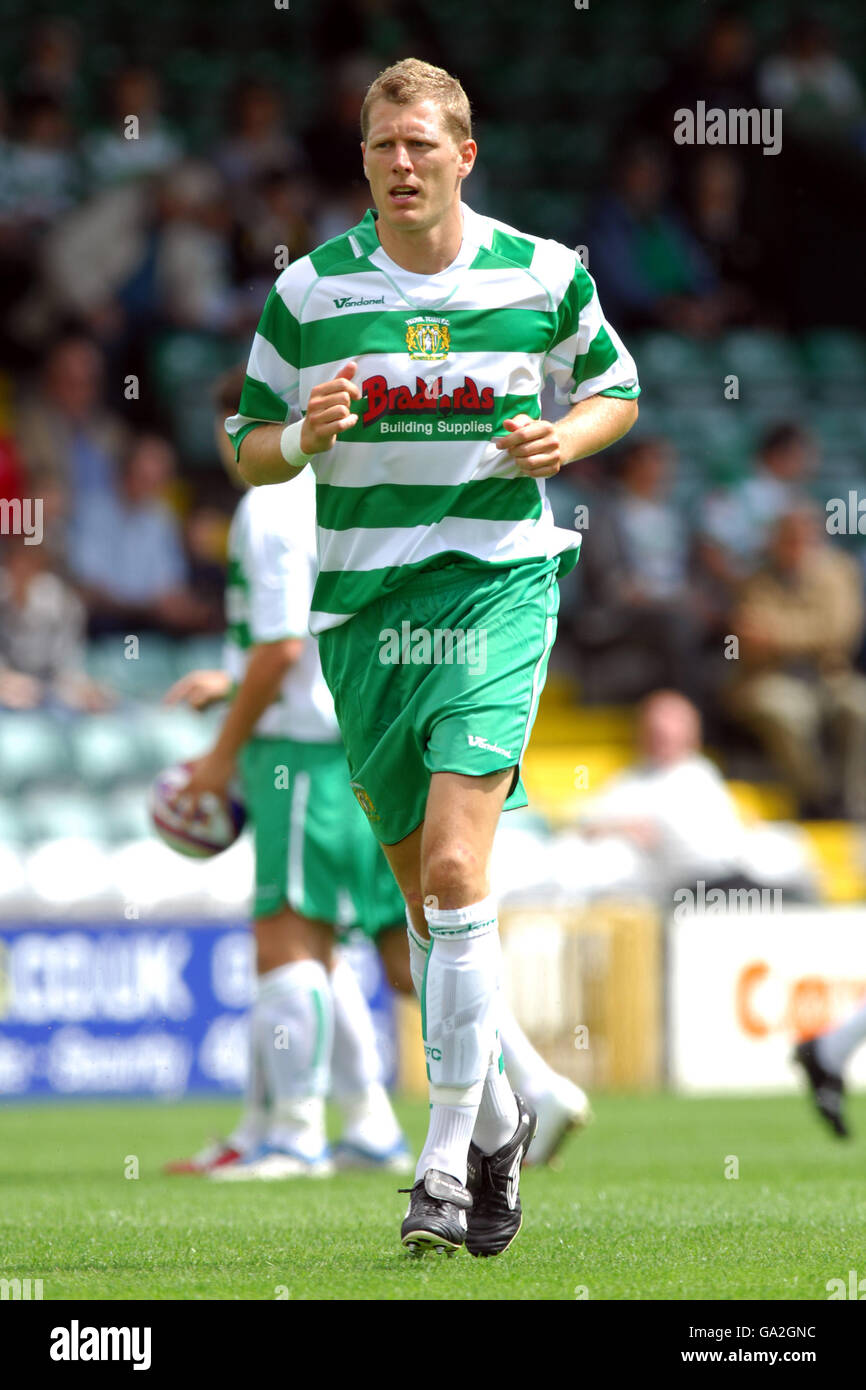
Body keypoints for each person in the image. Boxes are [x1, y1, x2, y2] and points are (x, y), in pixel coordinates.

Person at [228, 59, 639, 1256]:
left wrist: (562, 436)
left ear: (463, 156)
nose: (398, 164)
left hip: (496, 593)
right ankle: (503, 1113)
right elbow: (240, 440)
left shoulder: (542, 273)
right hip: (362, 621)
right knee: (424, 901)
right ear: (360, 159)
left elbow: (615, 387)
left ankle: (444, 1158)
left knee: (459, 870)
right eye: (377, 146)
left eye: (419, 145)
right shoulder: (308, 295)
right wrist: (292, 438)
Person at [165, 383, 412, 1178]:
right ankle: (369, 1122)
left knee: (287, 939)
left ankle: (293, 1136)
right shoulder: (343, 493)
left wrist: (219, 757)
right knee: (335, 945)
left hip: (297, 751)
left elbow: (278, 651)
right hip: (353, 740)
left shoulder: (269, 505)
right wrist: (231, 680)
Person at [726, 506, 866, 820]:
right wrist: (812, 631)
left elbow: (841, 632)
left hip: (831, 676)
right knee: (782, 709)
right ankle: (818, 799)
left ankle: (854, 803)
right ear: (776, 541)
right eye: (789, 539)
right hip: (771, 677)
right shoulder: (757, 579)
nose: (797, 546)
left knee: (859, 705)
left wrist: (778, 634)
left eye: (805, 538)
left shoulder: (839, 571)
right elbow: (749, 636)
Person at [794, 998, 866, 1139]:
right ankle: (831, 1108)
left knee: (831, 1096)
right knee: (833, 1093)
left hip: (821, 1053)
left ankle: (830, 1107)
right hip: (823, 1059)